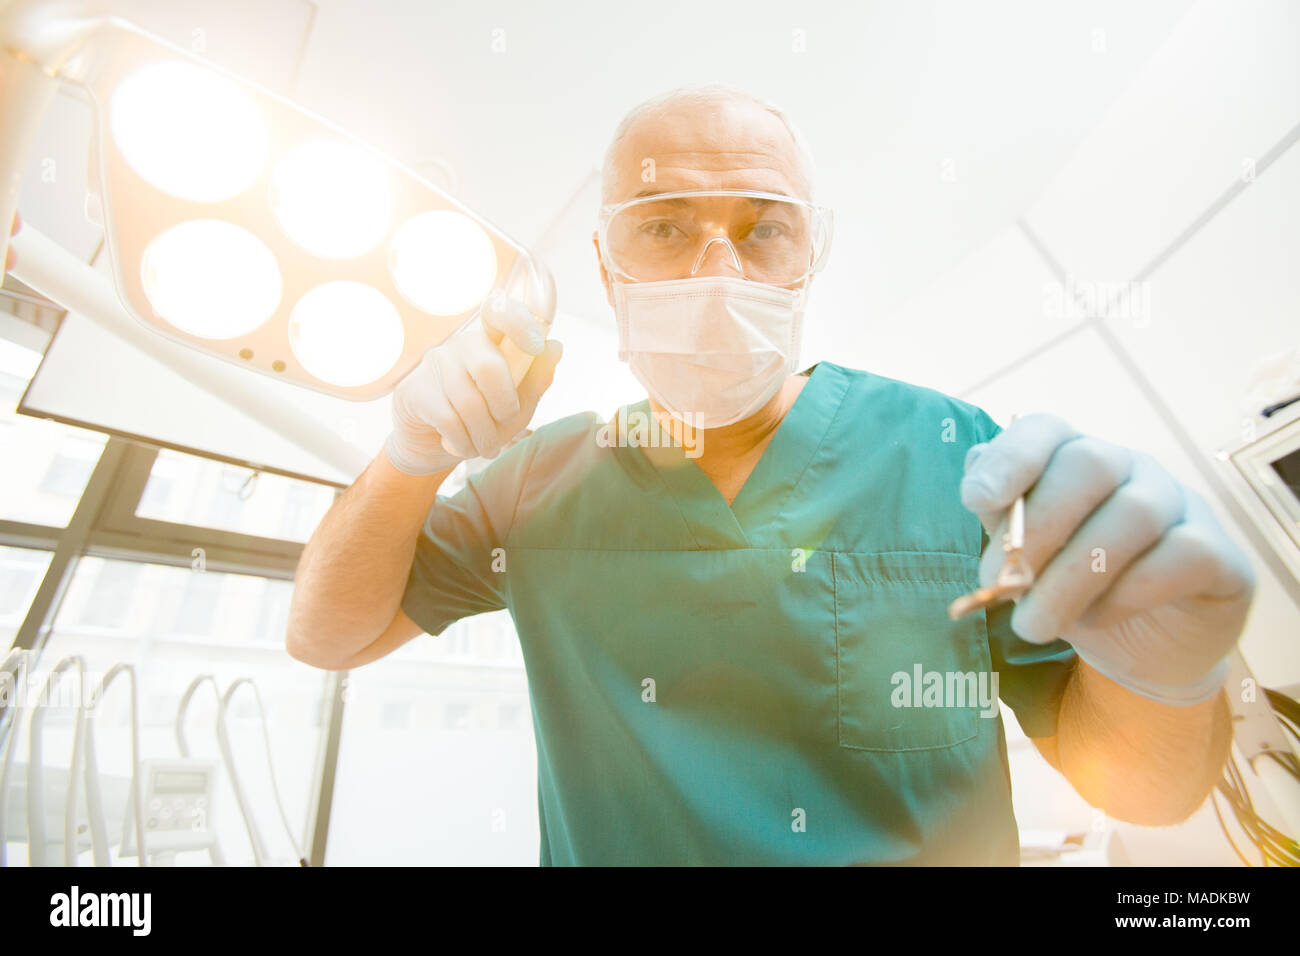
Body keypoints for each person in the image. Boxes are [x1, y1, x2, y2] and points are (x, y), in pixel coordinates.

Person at [284, 85, 1253, 865]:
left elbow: (1145, 790)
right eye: (664, 227)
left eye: (763, 229)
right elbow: (329, 632)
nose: (720, 270)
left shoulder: (958, 452)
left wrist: (1166, 682)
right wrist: (411, 454)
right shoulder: (536, 481)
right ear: (604, 261)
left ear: (808, 255)